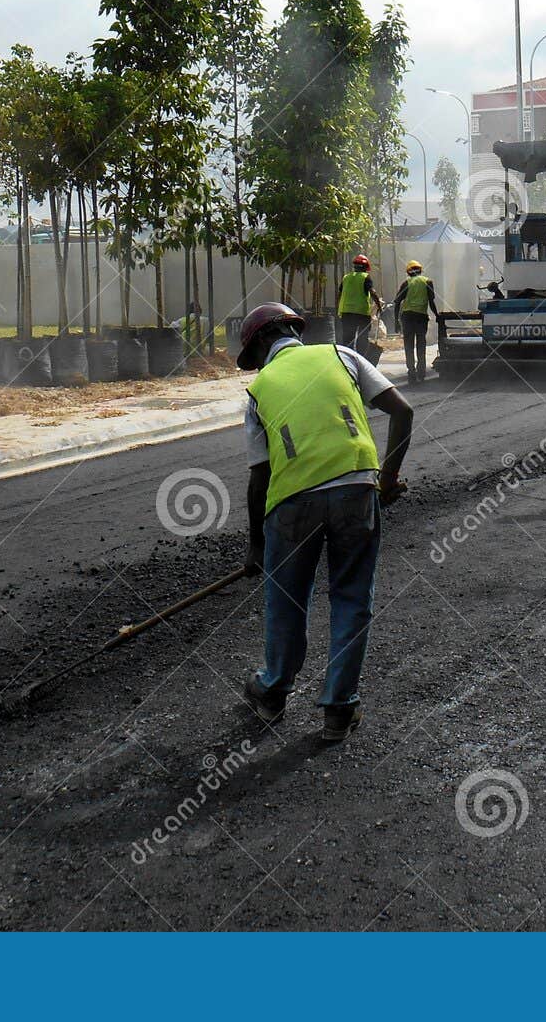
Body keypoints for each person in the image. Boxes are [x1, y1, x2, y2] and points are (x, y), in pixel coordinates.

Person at [237, 302, 414, 742]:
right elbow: (404, 412)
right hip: (357, 490)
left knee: (287, 601)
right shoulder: (342, 355)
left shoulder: (259, 390)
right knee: (352, 599)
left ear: (263, 341)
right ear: (293, 331)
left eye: (253, 356)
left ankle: (274, 692)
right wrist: (387, 478)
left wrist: (257, 544)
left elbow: (259, 479)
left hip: (292, 503)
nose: (255, 365)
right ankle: (338, 709)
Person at [391, 261, 440, 383]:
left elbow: (397, 302)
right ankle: (421, 372)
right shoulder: (428, 282)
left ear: (408, 272)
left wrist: (396, 321)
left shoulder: (406, 283)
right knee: (421, 345)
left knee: (409, 346)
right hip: (421, 317)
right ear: (420, 270)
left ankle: (411, 372)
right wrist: (437, 315)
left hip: (407, 317)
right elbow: (431, 302)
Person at [337, 254, 383, 351]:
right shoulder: (365, 277)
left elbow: (340, 294)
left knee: (348, 340)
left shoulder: (346, 277)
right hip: (361, 313)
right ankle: (360, 360)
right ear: (366, 267)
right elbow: (372, 292)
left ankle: (347, 362)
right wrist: (379, 306)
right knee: (362, 339)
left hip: (346, 313)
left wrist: (339, 308)